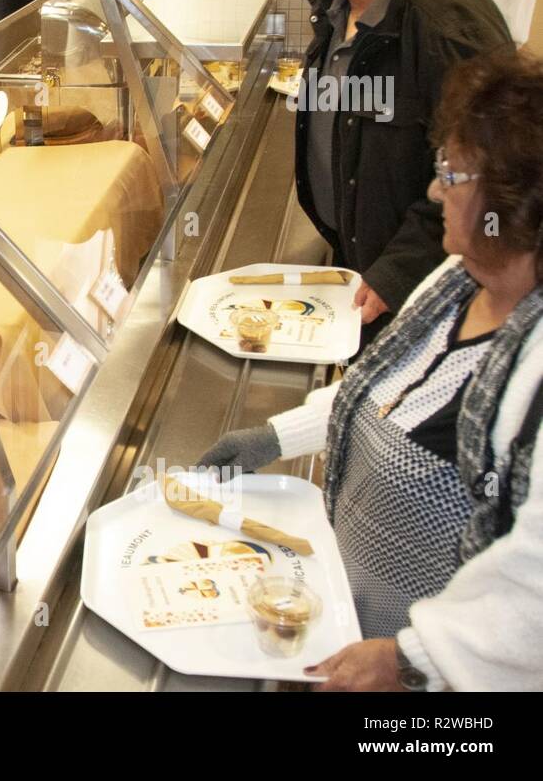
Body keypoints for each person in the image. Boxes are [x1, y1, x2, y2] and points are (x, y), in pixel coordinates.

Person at [202, 50, 543, 691]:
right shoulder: (456, 280)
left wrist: (412, 661)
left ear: (513, 204)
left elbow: (534, 592)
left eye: (453, 174)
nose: (436, 189)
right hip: (351, 626)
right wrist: (274, 438)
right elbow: (387, 392)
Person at [280, 0, 512, 331]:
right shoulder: (341, 5)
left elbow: (490, 172)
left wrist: (398, 271)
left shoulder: (446, 27)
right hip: (356, 254)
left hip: (411, 292)